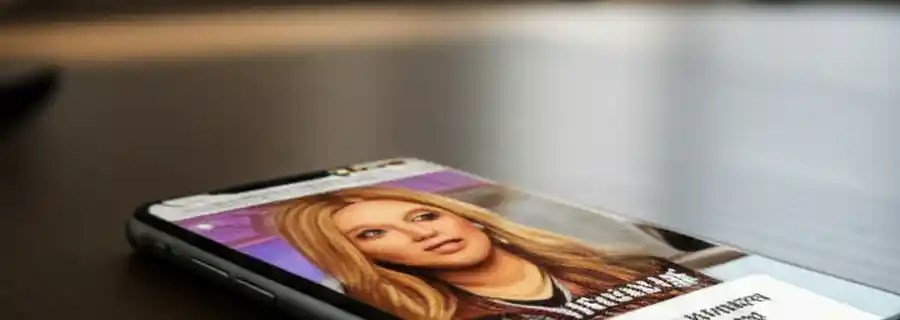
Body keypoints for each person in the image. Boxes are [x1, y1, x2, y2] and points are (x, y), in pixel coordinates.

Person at [274, 187, 706, 319]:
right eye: (373, 233)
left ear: (469, 217)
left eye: (424, 216)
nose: (420, 234)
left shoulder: (634, 264)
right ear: (370, 259)